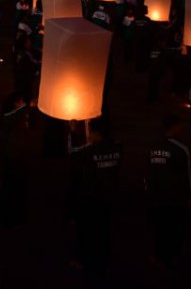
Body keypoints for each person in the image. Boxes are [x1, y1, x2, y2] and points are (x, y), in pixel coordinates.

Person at [66, 117, 123, 277]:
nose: (89, 134)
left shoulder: (91, 150)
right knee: (103, 231)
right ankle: (105, 262)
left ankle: (84, 261)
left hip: (90, 197)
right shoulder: (118, 147)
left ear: (97, 133)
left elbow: (72, 152)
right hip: (108, 197)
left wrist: (72, 132)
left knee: (86, 231)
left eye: (91, 131)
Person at [145, 114, 191, 267]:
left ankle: (159, 255)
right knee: (175, 228)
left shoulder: (154, 147)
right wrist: (190, 194)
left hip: (157, 195)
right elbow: (188, 174)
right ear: (175, 127)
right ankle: (172, 256)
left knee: (159, 227)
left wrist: (148, 190)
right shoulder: (182, 149)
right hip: (175, 197)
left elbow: (148, 172)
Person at [0, 92, 30, 227]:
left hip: (21, 158)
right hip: (12, 157)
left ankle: (16, 216)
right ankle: (9, 217)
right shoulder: (10, 116)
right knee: (11, 188)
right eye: (21, 101)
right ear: (15, 103)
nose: (23, 103)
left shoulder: (22, 116)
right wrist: (26, 107)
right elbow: (8, 118)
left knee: (19, 189)